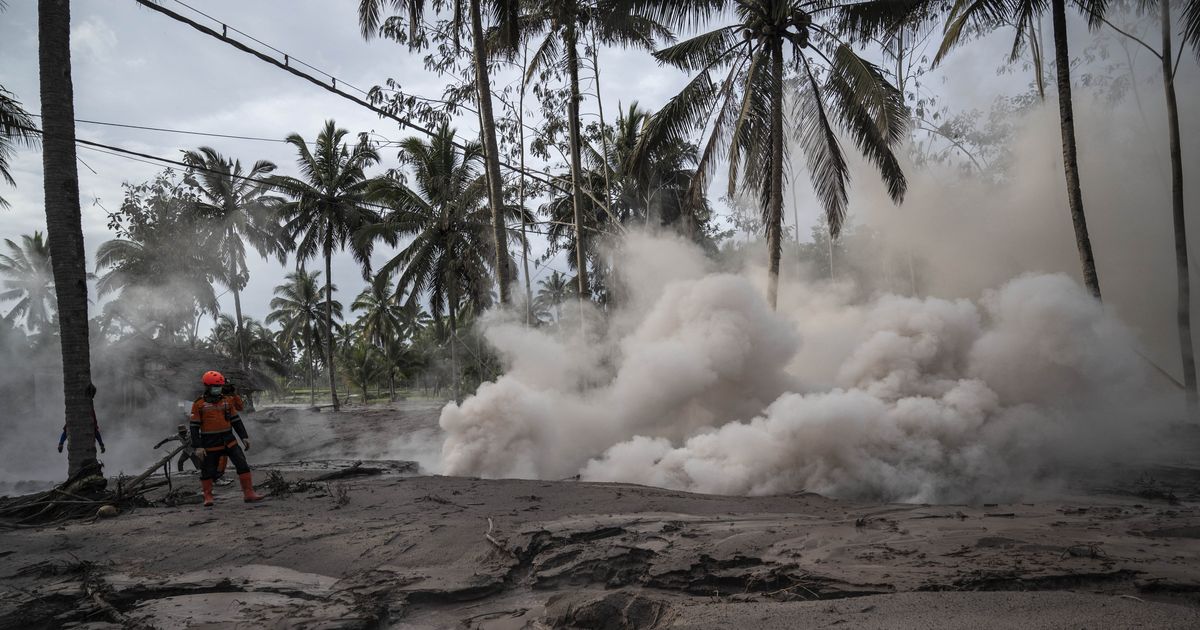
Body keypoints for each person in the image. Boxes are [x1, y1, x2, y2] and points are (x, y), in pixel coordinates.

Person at [190, 370, 263, 506]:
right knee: (207, 470)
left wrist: (244, 437)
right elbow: (194, 427)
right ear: (207, 387)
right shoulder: (199, 404)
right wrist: (198, 446)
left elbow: (236, 420)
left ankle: (249, 493)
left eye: (219, 386)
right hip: (210, 443)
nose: (218, 389)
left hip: (229, 441)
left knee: (242, 464)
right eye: (215, 387)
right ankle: (208, 496)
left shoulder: (227, 402)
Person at [210, 381, 244, 486]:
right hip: (214, 432)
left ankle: (220, 475)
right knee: (219, 455)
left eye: (228, 387)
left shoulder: (229, 399)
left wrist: (234, 395)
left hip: (227, 430)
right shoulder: (209, 399)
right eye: (224, 386)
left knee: (225, 454)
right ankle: (216, 477)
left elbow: (240, 408)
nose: (226, 389)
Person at [58, 383, 106, 455]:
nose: (91, 398)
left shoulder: (89, 410)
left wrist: (101, 444)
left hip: (86, 446)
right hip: (78, 445)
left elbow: (95, 429)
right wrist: (61, 443)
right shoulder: (78, 409)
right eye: (91, 395)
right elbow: (67, 429)